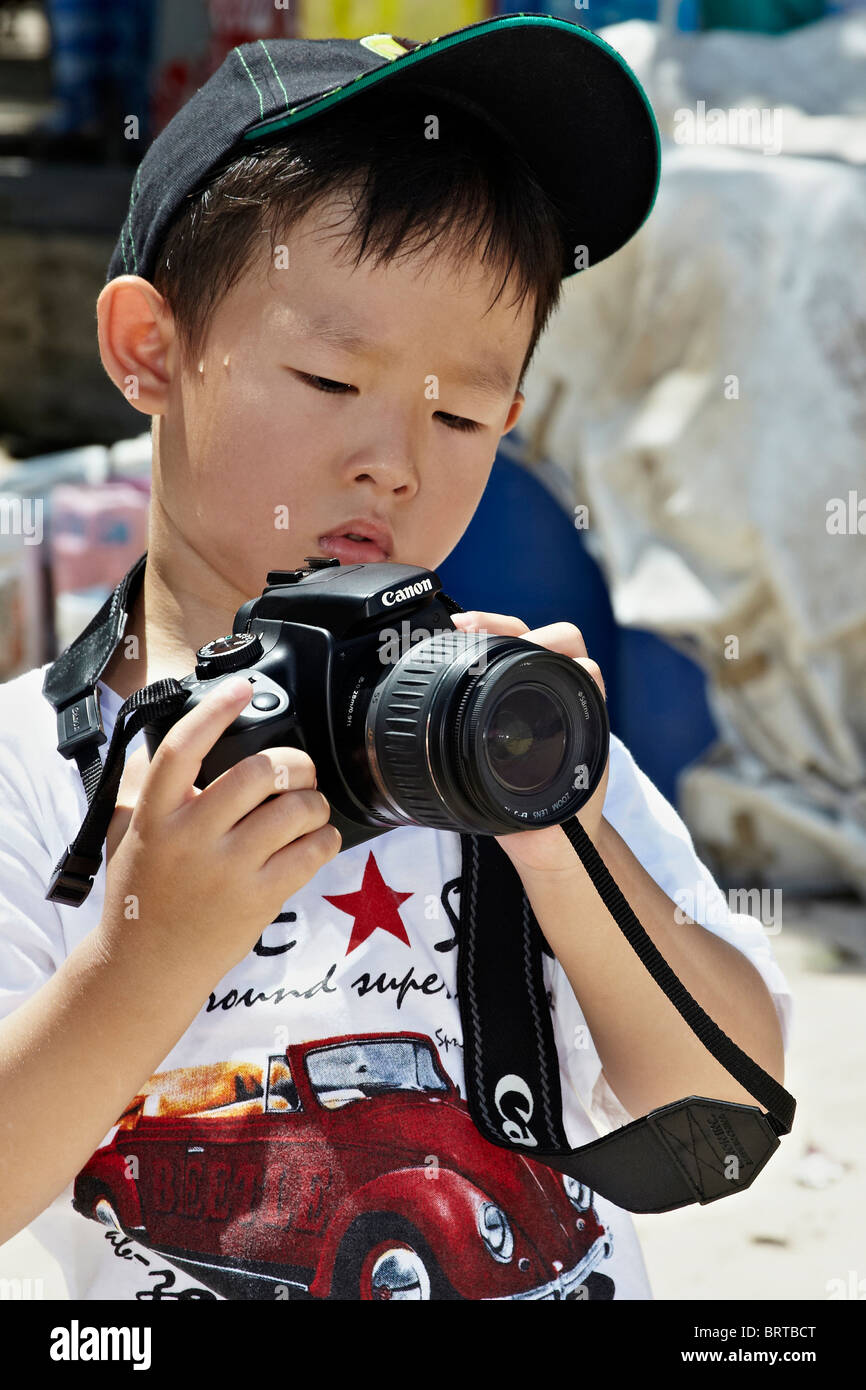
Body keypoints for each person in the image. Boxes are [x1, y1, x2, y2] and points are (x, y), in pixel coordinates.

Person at [0, 18, 791, 1301]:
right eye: (325, 378)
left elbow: (725, 1102)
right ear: (152, 349)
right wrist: (136, 961)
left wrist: (555, 824)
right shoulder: (35, 775)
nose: (396, 460)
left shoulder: (507, 734)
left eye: (462, 411)